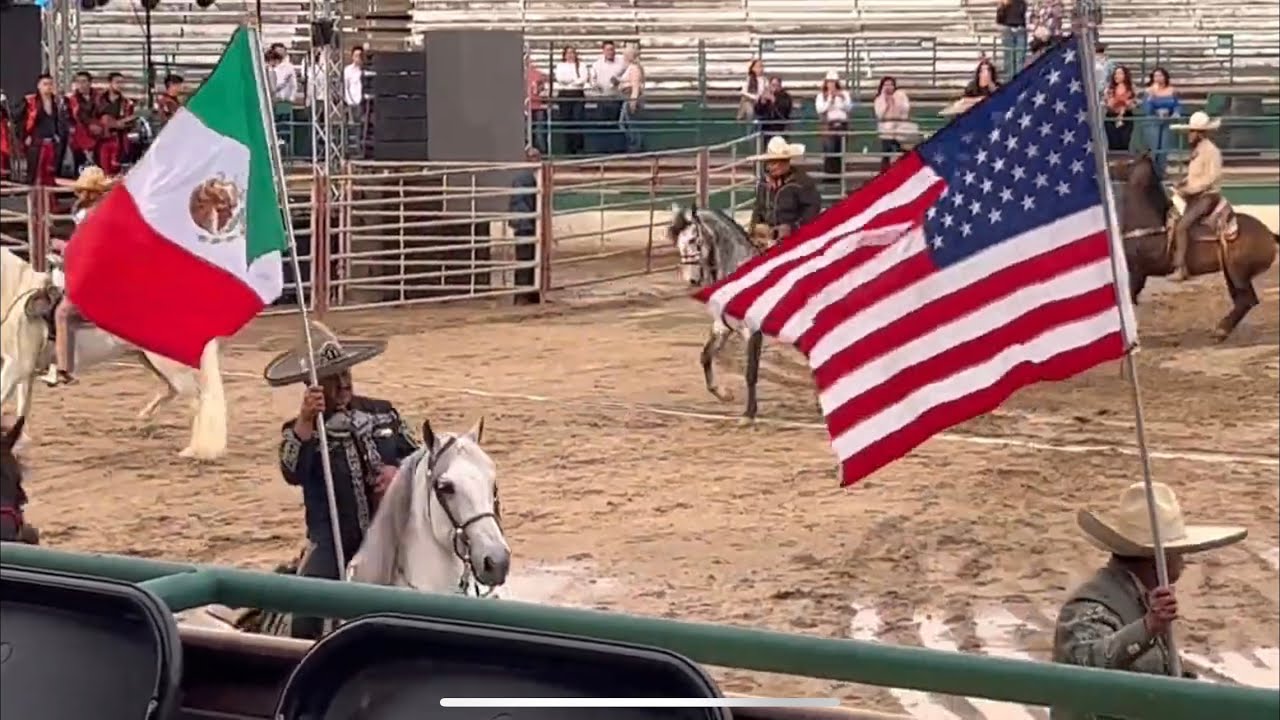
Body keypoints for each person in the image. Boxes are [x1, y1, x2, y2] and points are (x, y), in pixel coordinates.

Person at [267, 326, 418, 640]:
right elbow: (291, 471)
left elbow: (420, 460)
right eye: (333, 377)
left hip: (393, 537)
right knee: (306, 612)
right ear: (314, 385)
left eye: (346, 372)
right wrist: (306, 421)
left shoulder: (383, 412)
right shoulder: (302, 430)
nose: (344, 382)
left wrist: (398, 474)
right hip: (333, 543)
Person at [1051, 481, 1246, 719]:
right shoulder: (1090, 606)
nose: (1183, 561)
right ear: (1158, 560)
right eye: (1178, 552)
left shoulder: (1140, 599)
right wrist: (1147, 628)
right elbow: (1084, 667)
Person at [43, 165, 116, 387]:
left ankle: (63, 368)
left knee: (62, 312)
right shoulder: (89, 208)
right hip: (83, 263)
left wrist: (64, 247)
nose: (80, 192)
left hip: (92, 269)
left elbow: (88, 244)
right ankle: (59, 360)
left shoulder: (95, 211)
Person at [1168, 111, 1224, 282]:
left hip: (1207, 196)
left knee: (1183, 226)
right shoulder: (1199, 150)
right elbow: (1194, 176)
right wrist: (1183, 183)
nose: (1189, 135)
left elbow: (1212, 177)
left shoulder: (1212, 151)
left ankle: (1181, 268)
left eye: (1192, 132)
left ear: (1200, 133)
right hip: (1196, 194)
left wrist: (1190, 190)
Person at [748, 136, 822, 250]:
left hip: (795, 240)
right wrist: (754, 228)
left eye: (775, 162)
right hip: (766, 240)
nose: (770, 167)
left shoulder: (802, 183)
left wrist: (792, 228)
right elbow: (758, 208)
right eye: (769, 163)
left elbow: (812, 210)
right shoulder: (764, 183)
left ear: (786, 162)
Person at [20, 74, 69, 186]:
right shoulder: (30, 101)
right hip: (36, 141)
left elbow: (60, 121)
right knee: (34, 172)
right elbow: (22, 121)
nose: (48, 87)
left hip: (52, 141)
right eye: (45, 84)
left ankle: (49, 200)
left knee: (50, 171)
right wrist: (26, 135)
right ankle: (34, 200)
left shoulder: (57, 102)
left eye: (50, 84)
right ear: (39, 86)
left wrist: (58, 136)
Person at [508, 146, 541, 305]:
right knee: (526, 259)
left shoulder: (525, 177)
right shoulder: (529, 178)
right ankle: (524, 294)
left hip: (526, 223)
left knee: (527, 259)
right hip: (527, 224)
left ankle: (526, 293)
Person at [1140, 67, 1180, 180]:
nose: (1158, 78)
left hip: (1167, 121)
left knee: (1164, 148)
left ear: (1165, 77)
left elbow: (1177, 105)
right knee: (1154, 149)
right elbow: (1146, 109)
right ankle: (1153, 173)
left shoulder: (1172, 90)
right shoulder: (1148, 91)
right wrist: (1151, 97)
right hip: (1153, 121)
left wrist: (1175, 112)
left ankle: (1161, 172)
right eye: (1155, 76)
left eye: (1160, 75)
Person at [814, 71, 852, 191]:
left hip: (841, 125)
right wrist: (830, 98)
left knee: (840, 149)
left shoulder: (844, 94)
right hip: (829, 125)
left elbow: (849, 107)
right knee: (830, 150)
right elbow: (821, 109)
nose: (831, 84)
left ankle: (839, 175)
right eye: (829, 82)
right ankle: (829, 176)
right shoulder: (821, 95)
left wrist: (840, 97)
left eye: (833, 82)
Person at [589, 40, 627, 154]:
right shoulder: (597, 64)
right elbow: (592, 79)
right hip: (602, 98)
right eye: (608, 50)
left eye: (612, 49)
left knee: (617, 124)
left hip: (616, 98)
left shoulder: (622, 63)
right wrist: (595, 85)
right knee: (602, 125)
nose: (610, 52)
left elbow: (629, 76)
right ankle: (603, 150)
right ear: (603, 51)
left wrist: (619, 81)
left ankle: (617, 150)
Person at [94, 72, 135, 175]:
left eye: (122, 83)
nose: (120, 85)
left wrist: (123, 125)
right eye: (117, 82)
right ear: (110, 83)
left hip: (118, 141)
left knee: (115, 170)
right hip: (100, 140)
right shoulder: (98, 100)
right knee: (101, 171)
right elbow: (91, 117)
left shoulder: (126, 103)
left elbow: (131, 123)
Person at [553, 46, 589, 155]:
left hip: (577, 94)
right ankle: (568, 149)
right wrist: (573, 80)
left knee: (578, 120)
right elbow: (560, 78)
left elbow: (583, 79)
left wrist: (571, 81)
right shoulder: (560, 65)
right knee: (566, 121)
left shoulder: (581, 65)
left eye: (572, 52)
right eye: (568, 53)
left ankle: (579, 148)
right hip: (564, 95)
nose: (570, 55)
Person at [873, 76, 912, 172]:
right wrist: (886, 103)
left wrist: (895, 102)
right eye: (886, 84)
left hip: (901, 130)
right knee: (886, 153)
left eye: (891, 84)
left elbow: (906, 109)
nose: (888, 87)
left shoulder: (901, 95)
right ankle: (885, 174)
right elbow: (880, 115)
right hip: (887, 131)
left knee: (904, 152)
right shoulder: (879, 99)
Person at [65, 71, 100, 173]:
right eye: (78, 82)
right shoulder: (71, 99)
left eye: (84, 81)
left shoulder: (99, 97)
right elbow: (68, 118)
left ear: (90, 83)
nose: (81, 85)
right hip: (79, 137)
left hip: (97, 136)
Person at [1103, 65, 1136, 152]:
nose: (1117, 76)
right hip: (1111, 117)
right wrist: (1110, 103)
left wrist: (1127, 105)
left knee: (1124, 142)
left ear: (1125, 75)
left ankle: (1123, 163)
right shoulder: (1109, 89)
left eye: (1120, 73)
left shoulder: (1132, 88)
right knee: (1113, 142)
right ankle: (1114, 163)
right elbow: (1106, 104)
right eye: (1116, 74)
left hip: (1126, 117)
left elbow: (1134, 104)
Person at [618, 45, 645, 153]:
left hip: (630, 98)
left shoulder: (634, 68)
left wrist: (633, 101)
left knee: (629, 123)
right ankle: (634, 144)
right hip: (627, 97)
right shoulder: (631, 67)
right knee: (627, 122)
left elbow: (635, 86)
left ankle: (635, 145)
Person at [754, 76, 793, 147]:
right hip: (767, 128)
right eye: (772, 85)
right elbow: (758, 111)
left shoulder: (785, 96)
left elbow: (785, 110)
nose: (774, 87)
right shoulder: (765, 95)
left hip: (781, 128)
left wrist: (774, 100)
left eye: (776, 85)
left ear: (780, 86)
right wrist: (762, 102)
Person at [996, 0, 1028, 79]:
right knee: (1008, 58)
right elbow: (999, 19)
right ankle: (1009, 80)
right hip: (1007, 30)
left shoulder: (1022, 3)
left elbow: (1022, 16)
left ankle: (1019, 79)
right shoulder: (1003, 3)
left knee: (1019, 58)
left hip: (1020, 30)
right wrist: (1002, 6)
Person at [524, 52, 549, 154]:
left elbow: (546, 81)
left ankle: (542, 151)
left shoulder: (536, 73)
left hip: (537, 105)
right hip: (524, 107)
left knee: (539, 130)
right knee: (526, 130)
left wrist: (540, 87)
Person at [738, 58, 765, 123]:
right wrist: (754, 97)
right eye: (758, 66)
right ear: (753, 68)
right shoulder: (749, 79)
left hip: (759, 102)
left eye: (761, 66)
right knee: (749, 109)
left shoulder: (764, 80)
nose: (760, 68)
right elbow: (743, 92)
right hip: (749, 100)